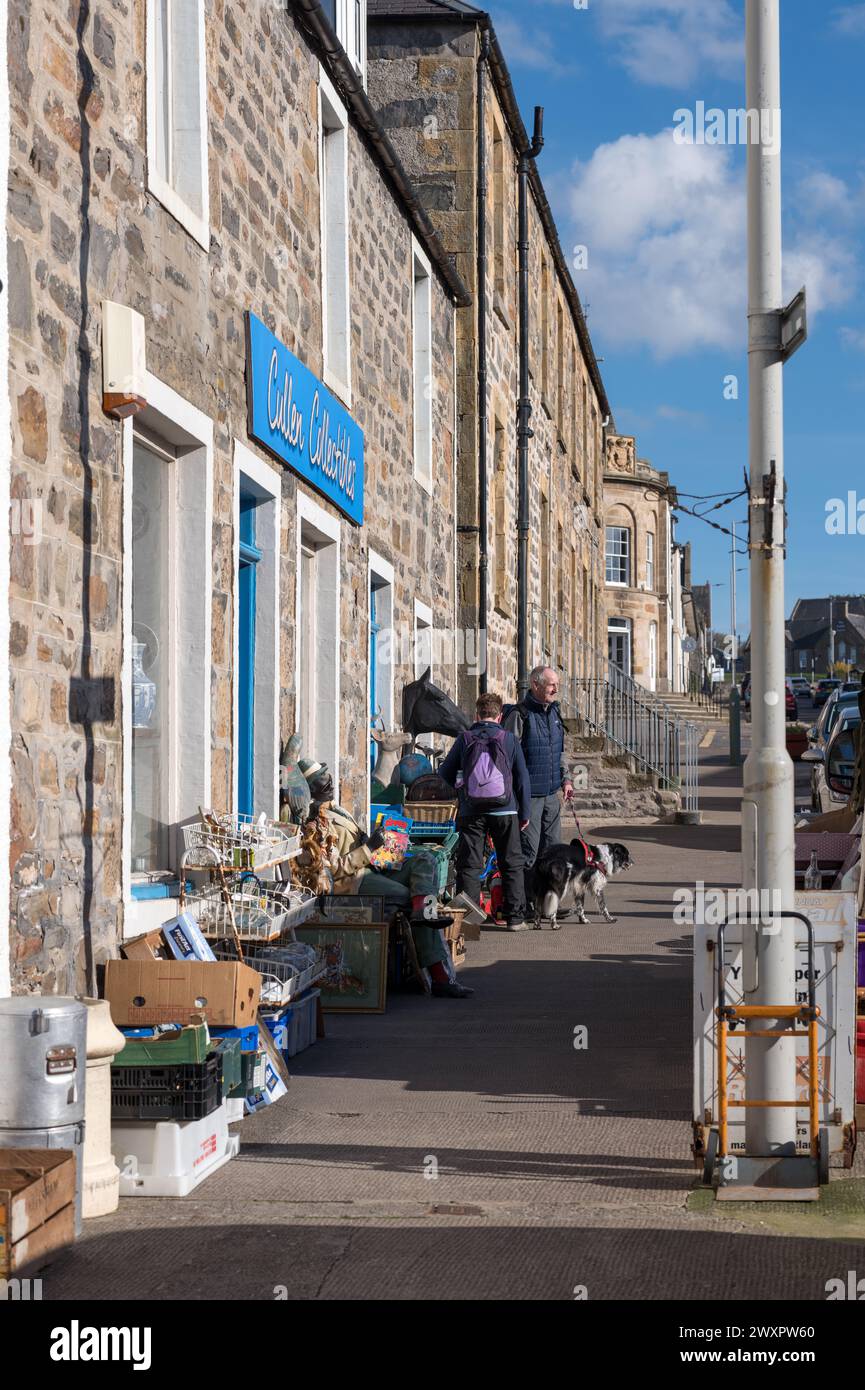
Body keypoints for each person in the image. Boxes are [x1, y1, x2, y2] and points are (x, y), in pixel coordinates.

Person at [296, 761, 473, 999]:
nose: (328, 782)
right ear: (310, 789)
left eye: (327, 775)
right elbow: (333, 870)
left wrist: (381, 842)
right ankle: (441, 975)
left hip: (373, 867)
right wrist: (368, 848)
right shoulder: (316, 825)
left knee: (425, 860)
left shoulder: (338, 810)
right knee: (405, 897)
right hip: (353, 881)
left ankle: (424, 910)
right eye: (320, 780)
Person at [438, 691, 531, 931]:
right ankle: (515, 918)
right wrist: (525, 813)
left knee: (469, 864)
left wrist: (462, 790)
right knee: (511, 862)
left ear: (477, 714)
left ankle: (469, 922)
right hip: (505, 810)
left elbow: (445, 773)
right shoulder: (509, 739)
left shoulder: (465, 738)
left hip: (471, 811)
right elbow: (522, 778)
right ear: (500, 716)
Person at [503, 666, 574, 915]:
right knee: (529, 853)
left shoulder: (554, 712)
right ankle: (525, 905)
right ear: (535, 684)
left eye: (557, 685)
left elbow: (560, 753)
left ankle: (549, 905)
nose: (556, 689)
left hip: (552, 793)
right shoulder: (519, 714)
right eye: (551, 685)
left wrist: (566, 780)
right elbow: (507, 756)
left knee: (553, 850)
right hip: (528, 796)